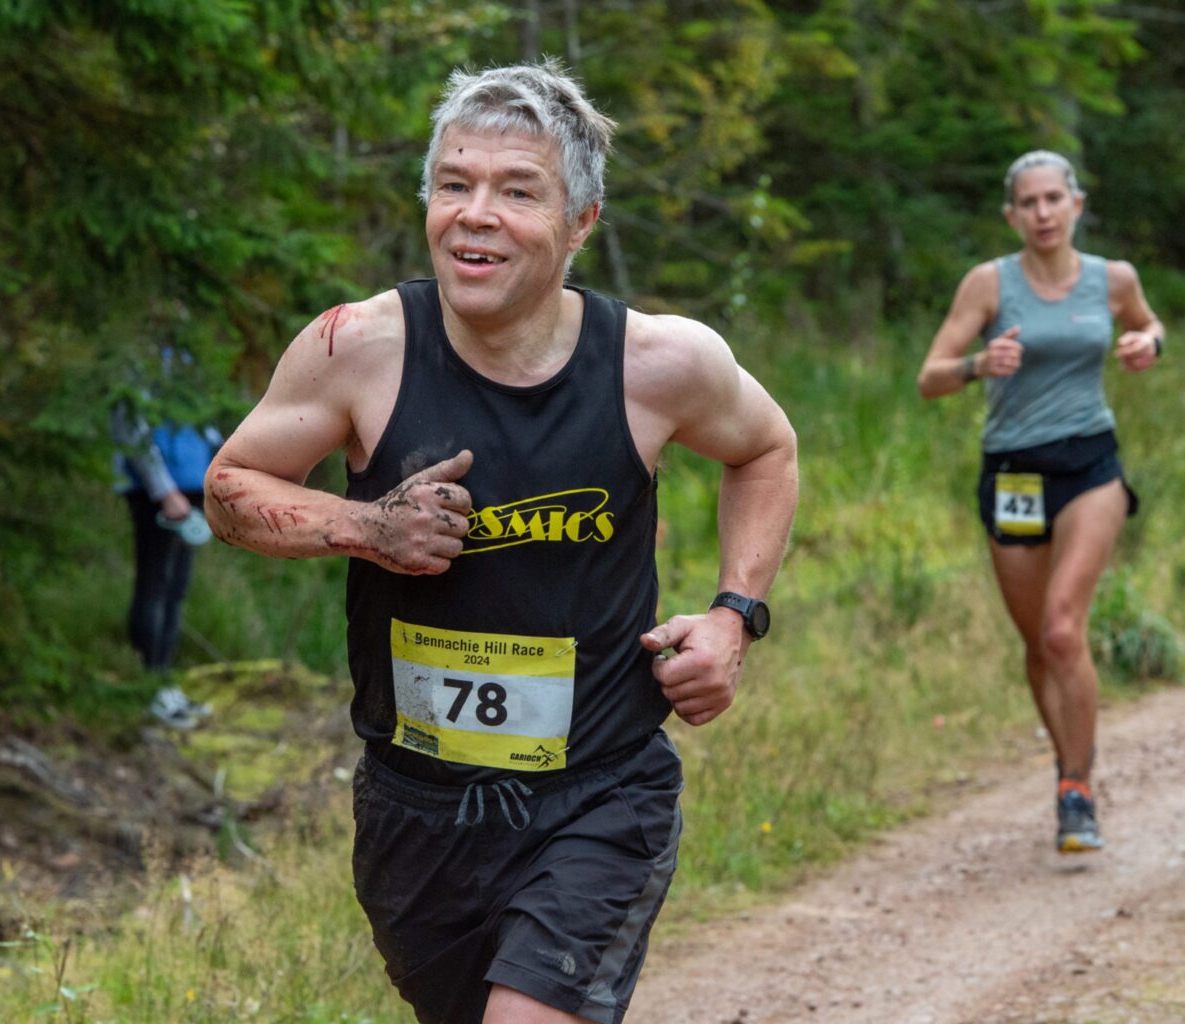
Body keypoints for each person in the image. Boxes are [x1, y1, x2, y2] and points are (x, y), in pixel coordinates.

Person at [206, 61, 798, 1024]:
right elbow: (229, 489)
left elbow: (767, 448)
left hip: (599, 795)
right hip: (415, 808)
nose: (475, 213)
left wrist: (734, 617)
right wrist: (367, 527)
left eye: (518, 191)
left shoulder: (659, 364)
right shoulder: (358, 346)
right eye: (454, 184)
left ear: (581, 224)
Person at [916, 150, 1164, 853]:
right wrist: (977, 365)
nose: (1044, 213)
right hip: (1014, 474)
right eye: (1029, 203)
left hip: (1090, 464)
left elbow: (1150, 325)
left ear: (1077, 205)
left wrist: (1149, 342)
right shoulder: (988, 284)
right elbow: (929, 376)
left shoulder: (1112, 280)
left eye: (1055, 198)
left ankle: (1077, 790)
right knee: (1036, 645)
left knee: (1062, 630)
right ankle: (1067, 759)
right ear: (1012, 215)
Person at [112, 384, 221, 730]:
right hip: (157, 494)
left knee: (175, 590)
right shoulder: (135, 355)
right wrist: (163, 489)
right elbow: (128, 427)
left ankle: (164, 684)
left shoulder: (190, 359)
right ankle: (149, 687)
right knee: (154, 586)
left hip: (191, 486)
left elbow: (204, 422)